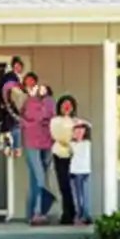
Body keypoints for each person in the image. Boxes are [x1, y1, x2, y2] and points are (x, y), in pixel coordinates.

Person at [19, 72, 56, 224]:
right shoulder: (26, 101)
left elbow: (52, 117)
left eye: (33, 82)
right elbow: (21, 118)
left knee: (38, 178)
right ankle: (37, 212)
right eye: (27, 83)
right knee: (39, 176)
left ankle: (34, 213)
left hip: (47, 142)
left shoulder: (49, 102)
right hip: (31, 142)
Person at [49, 94, 79, 225]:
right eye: (64, 105)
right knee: (64, 185)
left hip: (75, 156)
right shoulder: (55, 120)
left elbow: (80, 136)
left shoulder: (77, 122)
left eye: (69, 105)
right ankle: (68, 213)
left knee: (76, 185)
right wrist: (69, 143)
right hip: (60, 154)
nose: (67, 107)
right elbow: (57, 135)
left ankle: (76, 212)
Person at [0, 56, 25, 157]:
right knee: (12, 125)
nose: (20, 69)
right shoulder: (10, 77)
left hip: (5, 106)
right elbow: (4, 92)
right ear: (15, 66)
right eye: (19, 66)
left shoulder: (10, 77)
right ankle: (12, 147)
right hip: (5, 106)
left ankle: (8, 147)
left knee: (9, 126)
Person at [69, 121, 93, 225]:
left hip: (84, 171)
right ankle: (81, 215)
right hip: (75, 171)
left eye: (81, 131)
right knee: (78, 195)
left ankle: (84, 215)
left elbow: (90, 125)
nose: (78, 133)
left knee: (84, 194)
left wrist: (79, 122)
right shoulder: (71, 144)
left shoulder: (86, 143)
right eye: (76, 131)